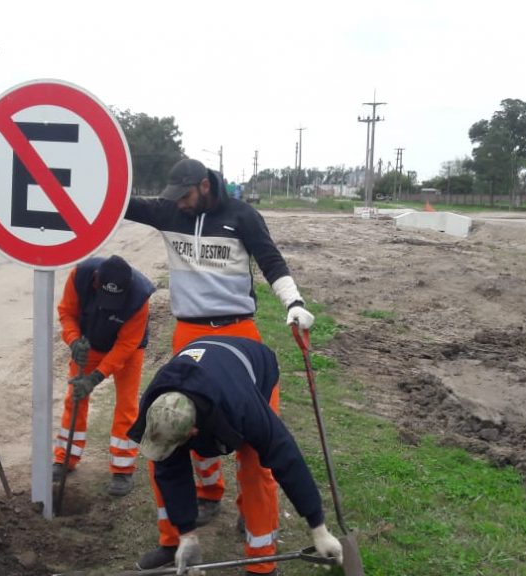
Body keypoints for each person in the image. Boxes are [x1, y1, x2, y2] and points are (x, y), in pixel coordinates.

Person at [125, 157, 316, 526]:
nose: (179, 202)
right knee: (185, 421)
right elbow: (121, 204)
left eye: (185, 195)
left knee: (257, 438)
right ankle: (207, 494)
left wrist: (294, 302)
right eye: (175, 197)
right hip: (190, 333)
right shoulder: (169, 212)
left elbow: (271, 261)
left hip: (238, 331)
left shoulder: (242, 216)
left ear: (205, 186)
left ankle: (255, 511)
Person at [127, 336, 343, 575]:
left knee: (255, 468)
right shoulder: (157, 405)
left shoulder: (243, 405)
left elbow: (286, 456)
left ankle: (262, 561)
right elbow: (169, 470)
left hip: (252, 368)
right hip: (206, 364)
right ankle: (197, 515)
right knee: (174, 455)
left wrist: (318, 527)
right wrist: (187, 534)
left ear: (193, 430)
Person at [52, 255, 155, 496]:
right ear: (97, 282)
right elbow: (67, 312)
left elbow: (126, 345)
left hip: (128, 351)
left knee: (127, 405)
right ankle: (66, 457)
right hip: (88, 344)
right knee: (74, 397)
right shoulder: (80, 276)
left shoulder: (140, 296)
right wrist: (73, 340)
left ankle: (122, 469)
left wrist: (96, 378)